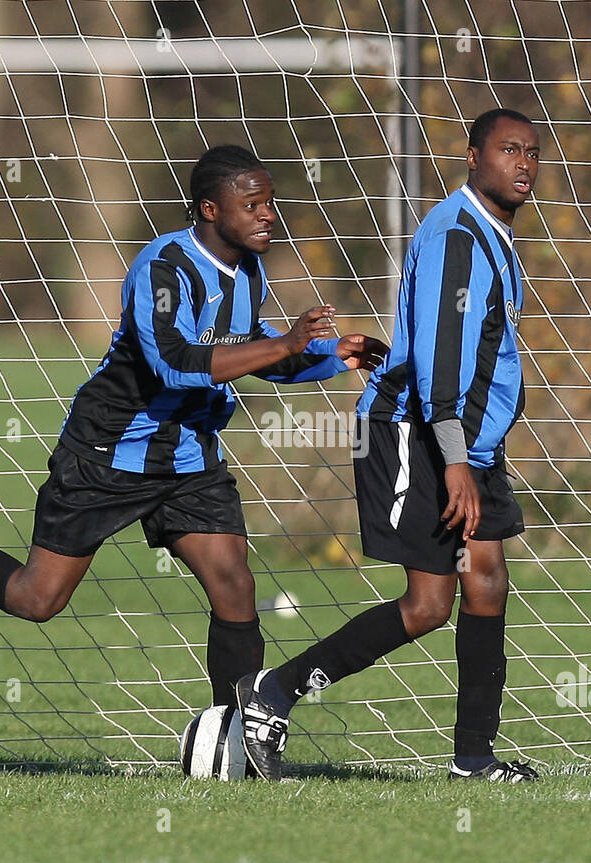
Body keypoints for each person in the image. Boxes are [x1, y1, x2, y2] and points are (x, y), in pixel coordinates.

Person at [0, 144, 387, 709]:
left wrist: (330, 355)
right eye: (252, 205)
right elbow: (176, 362)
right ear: (210, 209)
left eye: (269, 202)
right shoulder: (164, 268)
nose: (267, 214)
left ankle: (234, 734)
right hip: (110, 449)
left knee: (234, 584)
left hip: (188, 454)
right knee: (37, 599)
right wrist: (287, 343)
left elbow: (246, 349)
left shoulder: (247, 269)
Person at [235, 109, 540, 781]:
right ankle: (275, 691)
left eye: (531, 152)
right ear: (473, 156)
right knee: (429, 604)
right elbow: (439, 358)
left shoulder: (491, 235)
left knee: (486, 582)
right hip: (418, 434)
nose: (523, 163)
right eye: (507, 149)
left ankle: (473, 760)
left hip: (468, 442)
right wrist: (454, 459)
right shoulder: (458, 236)